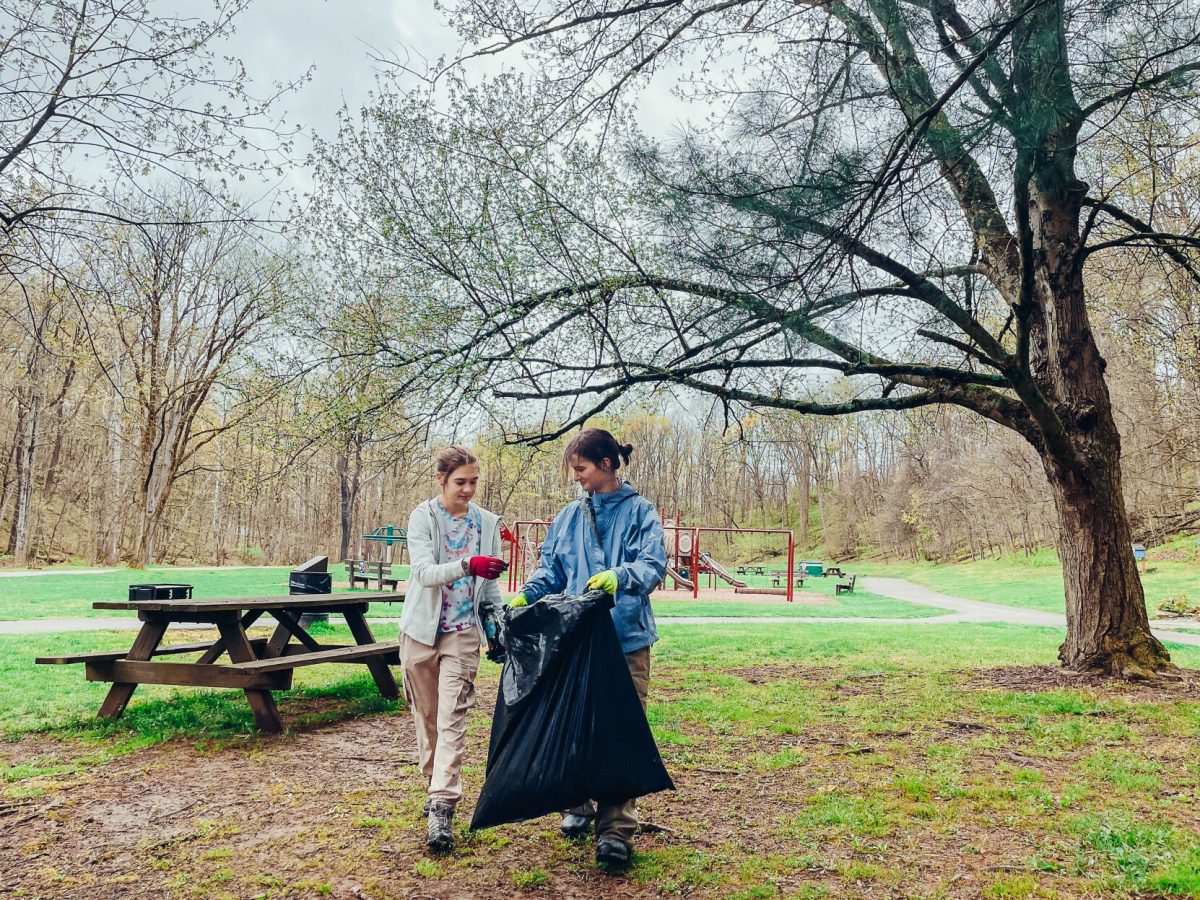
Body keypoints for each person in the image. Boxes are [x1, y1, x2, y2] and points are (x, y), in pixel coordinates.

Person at [510, 427, 666, 871]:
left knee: (619, 732)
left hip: (625, 640)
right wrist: (528, 594)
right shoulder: (567, 517)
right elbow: (551, 570)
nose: (575, 477)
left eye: (579, 469)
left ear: (606, 464)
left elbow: (652, 565)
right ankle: (577, 804)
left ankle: (616, 830)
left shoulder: (640, 512)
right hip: (575, 641)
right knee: (574, 724)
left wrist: (622, 577)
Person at [401, 445, 508, 852]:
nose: (468, 489)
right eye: (460, 482)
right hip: (421, 631)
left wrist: (496, 626)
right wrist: (468, 565)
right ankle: (435, 787)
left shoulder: (487, 523)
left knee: (452, 720)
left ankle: (443, 805)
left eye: (474, 482)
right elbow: (425, 573)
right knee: (427, 719)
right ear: (441, 480)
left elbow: (491, 583)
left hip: (463, 632)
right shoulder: (423, 517)